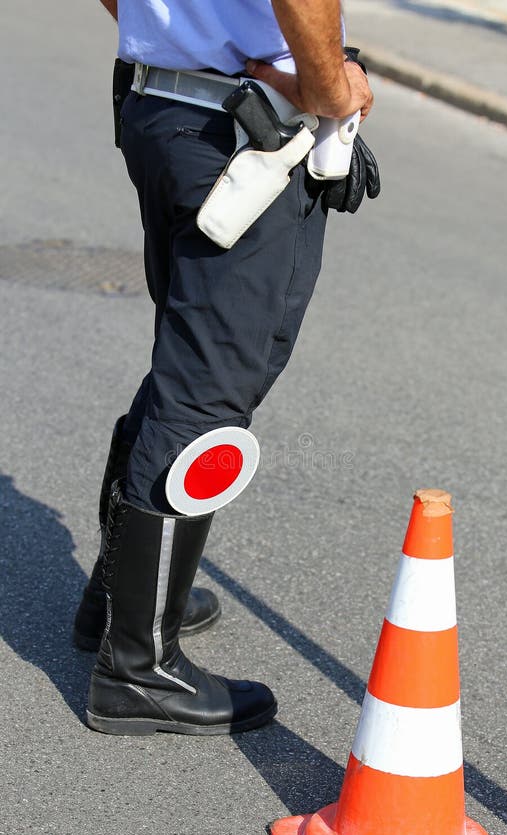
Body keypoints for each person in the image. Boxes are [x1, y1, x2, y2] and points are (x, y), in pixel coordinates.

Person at [76, 0, 374, 737]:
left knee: (186, 364)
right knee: (208, 391)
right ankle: (138, 670)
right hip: (239, 126)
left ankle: (120, 604)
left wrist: (177, 37)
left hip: (160, 103)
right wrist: (333, 87)